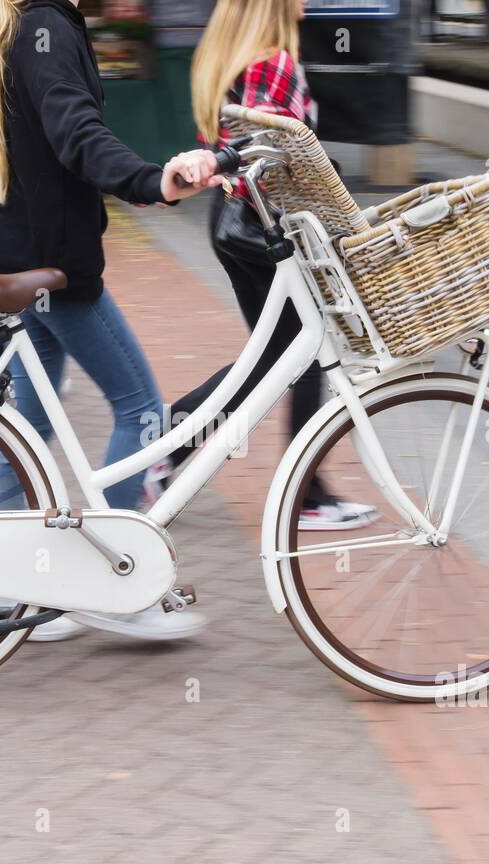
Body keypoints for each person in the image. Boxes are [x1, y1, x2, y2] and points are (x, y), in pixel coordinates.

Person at [0, 0, 221, 641]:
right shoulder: (45, 25)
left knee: (32, 423)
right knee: (141, 411)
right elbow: (74, 131)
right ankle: (101, 580)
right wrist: (151, 180)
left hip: (22, 254)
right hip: (53, 268)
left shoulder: (20, 21)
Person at [164, 0, 376, 531]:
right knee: (298, 354)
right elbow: (256, 150)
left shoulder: (223, 57)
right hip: (266, 228)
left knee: (273, 359)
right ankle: (306, 497)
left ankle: (169, 443)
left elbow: (219, 148)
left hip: (233, 224)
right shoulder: (274, 59)